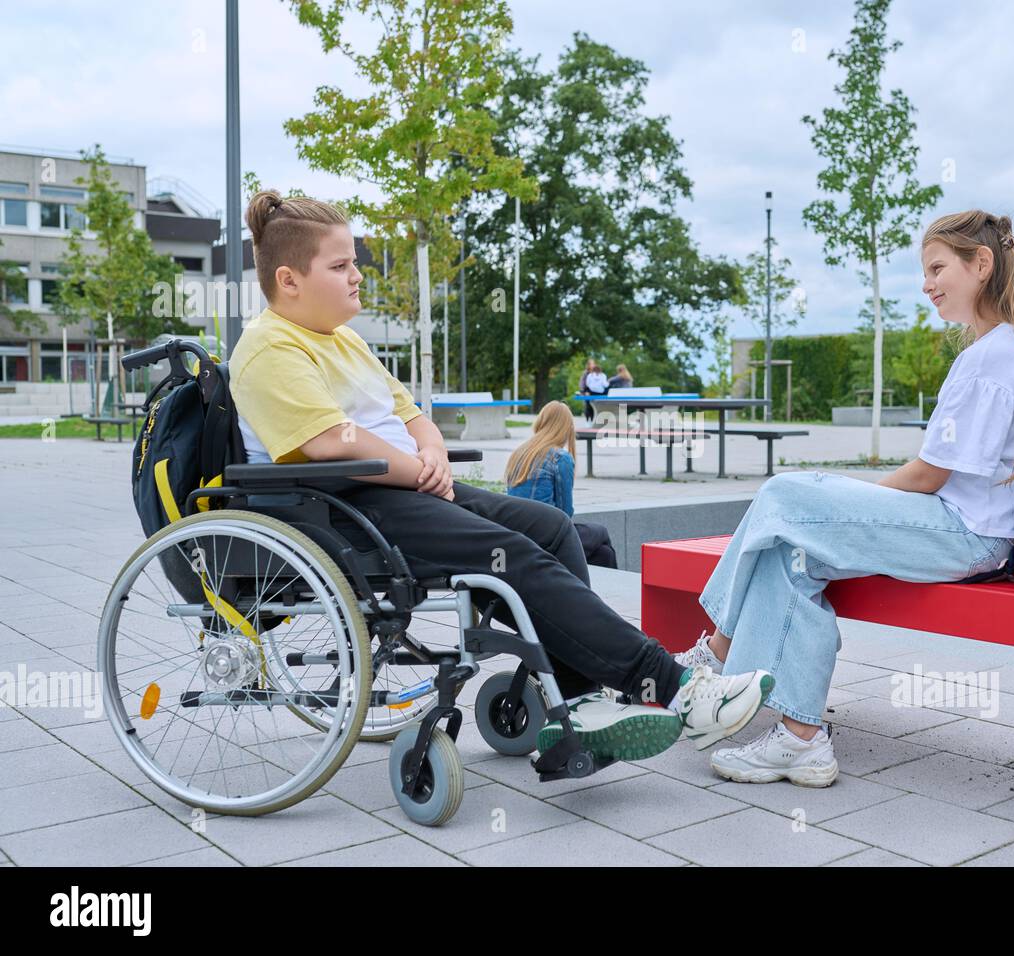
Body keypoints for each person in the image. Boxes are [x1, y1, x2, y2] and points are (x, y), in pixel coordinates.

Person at [227, 189, 774, 763]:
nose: (357, 276)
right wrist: (419, 470)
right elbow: (326, 441)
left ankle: (580, 703)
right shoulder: (269, 348)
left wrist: (431, 453)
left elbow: (411, 415)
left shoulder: (344, 339)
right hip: (344, 506)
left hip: (398, 487)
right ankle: (677, 689)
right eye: (340, 267)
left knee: (553, 529)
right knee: (512, 554)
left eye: (354, 263)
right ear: (288, 280)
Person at [674, 211, 1014, 787]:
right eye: (924, 271)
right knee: (793, 556)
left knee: (784, 494)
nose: (927, 284)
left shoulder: (993, 356)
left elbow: (933, 474)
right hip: (973, 532)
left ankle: (715, 653)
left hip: (966, 534)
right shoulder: (1010, 350)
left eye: (937, 268)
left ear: (981, 265)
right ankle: (800, 739)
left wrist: (853, 499)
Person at [506, 400, 618, 568]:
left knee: (604, 554)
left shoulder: (520, 453)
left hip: (519, 534)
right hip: (547, 537)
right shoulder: (560, 457)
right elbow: (565, 514)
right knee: (600, 531)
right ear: (566, 428)